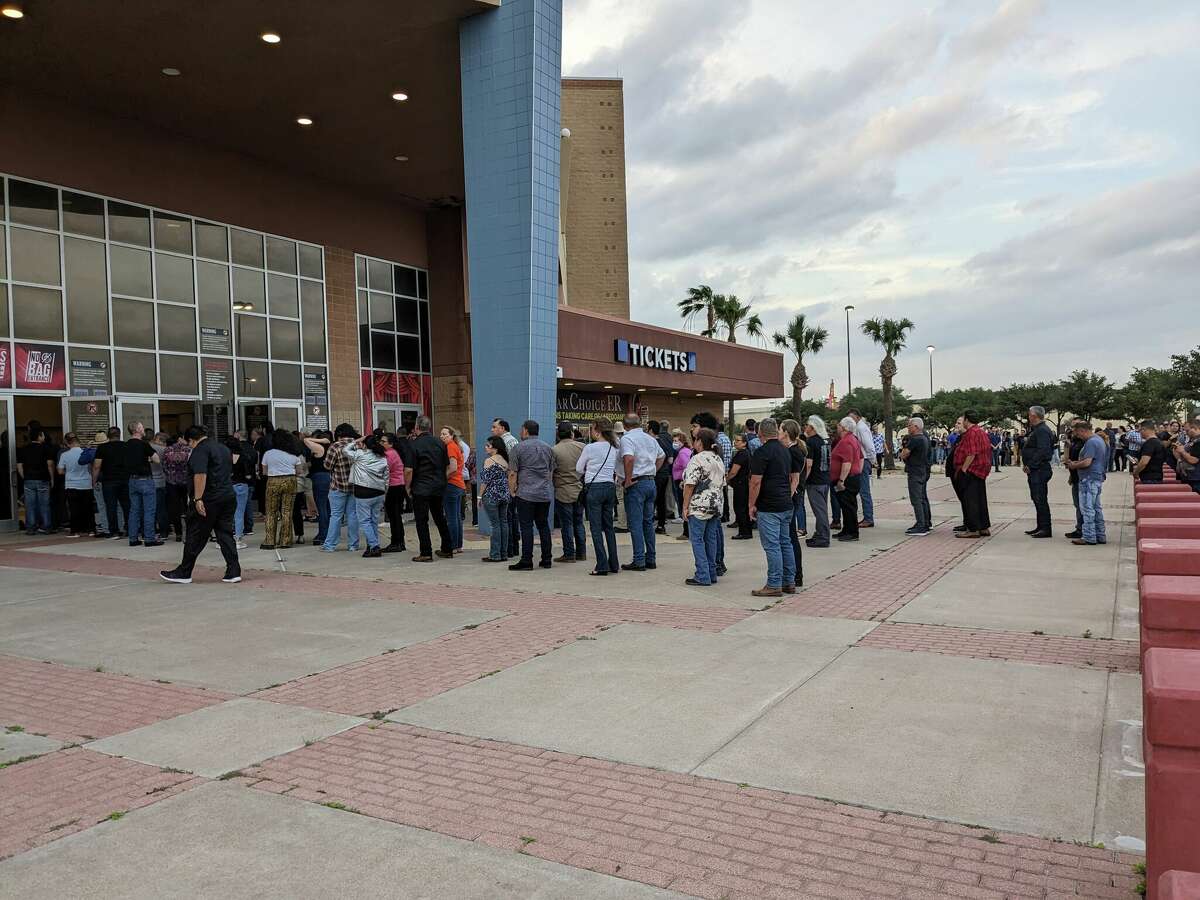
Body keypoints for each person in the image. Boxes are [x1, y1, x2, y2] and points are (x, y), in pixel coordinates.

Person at [160, 425, 241, 584]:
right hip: (227, 496)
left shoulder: (200, 450)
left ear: (192, 440)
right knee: (225, 534)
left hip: (209, 498)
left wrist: (198, 499)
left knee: (195, 535)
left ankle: (184, 572)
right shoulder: (223, 448)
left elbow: (200, 474)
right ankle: (233, 571)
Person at [749, 419, 797, 596]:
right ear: (776, 432)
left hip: (769, 505)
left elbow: (755, 482)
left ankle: (774, 584)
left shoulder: (762, 452)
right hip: (785, 502)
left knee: (772, 546)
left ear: (760, 433)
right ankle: (789, 581)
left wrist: (751, 504)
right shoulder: (785, 450)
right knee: (785, 543)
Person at [619, 414, 664, 572]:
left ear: (625, 426)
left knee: (635, 523)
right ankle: (650, 557)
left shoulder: (627, 439)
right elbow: (662, 456)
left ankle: (639, 560)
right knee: (648, 522)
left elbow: (629, 459)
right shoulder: (650, 438)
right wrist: (652, 471)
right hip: (650, 481)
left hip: (636, 483)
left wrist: (628, 479)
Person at [508, 419, 555, 571]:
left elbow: (513, 473)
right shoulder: (548, 448)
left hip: (525, 494)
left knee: (526, 527)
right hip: (543, 493)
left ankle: (526, 560)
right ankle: (546, 559)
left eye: (521, 430)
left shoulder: (518, 448)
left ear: (526, 431)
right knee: (543, 526)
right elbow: (550, 472)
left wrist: (512, 491)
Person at [681, 428, 725, 586]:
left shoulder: (697, 459)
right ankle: (711, 572)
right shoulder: (717, 458)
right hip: (716, 503)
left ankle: (702, 574)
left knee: (698, 540)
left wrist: (685, 506)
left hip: (700, 504)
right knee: (711, 539)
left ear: (699, 441)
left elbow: (690, 485)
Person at [577, 418, 620, 575]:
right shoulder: (614, 447)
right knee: (609, 527)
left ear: (597, 430)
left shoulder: (590, 448)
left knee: (596, 528)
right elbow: (617, 468)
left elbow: (579, 468)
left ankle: (602, 565)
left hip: (594, 488)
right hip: (609, 487)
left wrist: (590, 469)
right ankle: (614, 563)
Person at [407, 415, 453, 561]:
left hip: (421, 486)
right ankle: (447, 548)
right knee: (439, 517)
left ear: (416, 427)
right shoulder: (440, 443)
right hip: (438, 485)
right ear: (429, 427)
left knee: (421, 520)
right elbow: (447, 465)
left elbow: (408, 470)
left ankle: (426, 552)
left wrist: (407, 487)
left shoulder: (414, 444)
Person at [341, 434, 389, 558]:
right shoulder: (382, 457)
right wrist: (385, 490)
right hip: (379, 492)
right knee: (373, 521)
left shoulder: (360, 455)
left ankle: (374, 546)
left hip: (363, 492)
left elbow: (345, 450)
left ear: (365, 444)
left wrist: (357, 440)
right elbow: (386, 477)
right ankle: (371, 546)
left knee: (364, 521)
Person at [1064, 421, 1107, 546]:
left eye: (1078, 433)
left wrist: (1074, 465)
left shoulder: (1091, 442)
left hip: (1088, 478)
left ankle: (1089, 536)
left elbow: (1087, 462)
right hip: (1096, 477)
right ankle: (1100, 534)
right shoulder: (1099, 440)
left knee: (1087, 509)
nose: (1078, 436)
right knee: (1096, 508)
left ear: (1082, 430)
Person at [321, 424, 361, 553]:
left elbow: (328, 466)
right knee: (353, 515)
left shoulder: (335, 446)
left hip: (338, 485)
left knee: (336, 515)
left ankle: (330, 545)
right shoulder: (358, 445)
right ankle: (353, 545)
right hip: (355, 486)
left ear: (338, 434)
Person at [259, 430, 302, 550]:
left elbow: (264, 472)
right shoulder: (293, 454)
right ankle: (285, 540)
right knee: (287, 511)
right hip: (290, 480)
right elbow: (299, 471)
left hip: (273, 481)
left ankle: (269, 541)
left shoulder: (268, 454)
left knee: (271, 511)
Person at [953, 410, 992, 539]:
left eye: (963, 419)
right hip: (980, 470)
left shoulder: (972, 433)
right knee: (980, 499)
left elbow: (972, 453)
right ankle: (983, 527)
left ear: (967, 420)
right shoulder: (980, 431)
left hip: (972, 470)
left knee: (970, 501)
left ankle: (973, 529)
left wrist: (964, 469)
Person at [551, 422, 587, 562]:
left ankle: (569, 553)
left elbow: (551, 471)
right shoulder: (582, 447)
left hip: (562, 490)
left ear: (558, 434)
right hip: (579, 489)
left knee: (566, 524)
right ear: (572, 433)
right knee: (579, 522)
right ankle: (581, 552)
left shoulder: (554, 450)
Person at [124, 423, 162, 547]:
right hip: (145, 479)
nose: (144, 429)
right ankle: (149, 538)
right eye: (142, 427)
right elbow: (157, 459)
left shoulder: (126, 445)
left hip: (132, 479)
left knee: (134, 510)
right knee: (149, 510)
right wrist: (148, 459)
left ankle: (133, 538)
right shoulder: (143, 444)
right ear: (138, 430)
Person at [1022, 406, 1055, 538]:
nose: (1028, 417)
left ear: (1034, 416)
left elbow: (1042, 450)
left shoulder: (1042, 430)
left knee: (1040, 498)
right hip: (1036, 469)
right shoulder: (1037, 429)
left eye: (1029, 415)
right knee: (1036, 498)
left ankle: (1045, 528)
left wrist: (1030, 464)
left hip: (1039, 469)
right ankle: (1040, 526)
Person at [830, 417, 865, 542]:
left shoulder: (846, 441)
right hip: (853, 477)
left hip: (847, 479)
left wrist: (841, 480)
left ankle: (852, 532)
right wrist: (858, 471)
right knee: (847, 505)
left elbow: (847, 462)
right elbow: (861, 457)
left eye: (839, 424)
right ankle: (847, 529)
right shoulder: (853, 439)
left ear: (844, 428)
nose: (837, 426)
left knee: (848, 506)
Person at [17, 426, 55, 535]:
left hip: (29, 480)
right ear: (39, 436)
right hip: (43, 479)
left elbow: (19, 466)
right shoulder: (46, 448)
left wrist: (25, 477)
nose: (44, 437)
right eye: (42, 435)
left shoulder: (24, 449)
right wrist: (52, 478)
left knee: (30, 505)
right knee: (44, 504)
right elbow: (50, 465)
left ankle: (30, 528)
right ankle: (46, 527)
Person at [479, 435, 511, 562]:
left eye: (488, 445)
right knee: (504, 523)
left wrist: (479, 496)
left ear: (495, 448)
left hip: (491, 495)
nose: (486, 447)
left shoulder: (489, 461)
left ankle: (495, 554)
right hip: (504, 495)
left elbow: (485, 481)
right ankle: (504, 553)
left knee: (495, 525)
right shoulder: (505, 460)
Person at [92, 426, 128, 538]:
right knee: (126, 506)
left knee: (110, 506)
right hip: (125, 479)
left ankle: (113, 531)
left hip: (109, 480)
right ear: (119, 434)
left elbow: (97, 466)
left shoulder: (102, 448)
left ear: (108, 436)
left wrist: (94, 480)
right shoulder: (126, 446)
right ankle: (128, 529)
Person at [492, 418, 521, 558]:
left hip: (507, 484)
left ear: (502, 428)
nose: (492, 429)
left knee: (506, 518)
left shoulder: (504, 442)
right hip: (513, 484)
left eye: (494, 427)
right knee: (512, 517)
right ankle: (514, 548)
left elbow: (511, 468)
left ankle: (508, 549)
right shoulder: (514, 441)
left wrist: (511, 487)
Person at [56, 433, 94, 537]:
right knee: (88, 508)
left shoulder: (64, 455)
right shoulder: (85, 453)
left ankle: (75, 531)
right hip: (86, 483)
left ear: (68, 444)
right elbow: (91, 468)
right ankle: (91, 530)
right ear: (79, 442)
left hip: (71, 484)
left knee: (74, 509)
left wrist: (68, 472)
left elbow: (60, 471)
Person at [803, 416, 831, 548]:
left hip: (814, 481)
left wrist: (803, 480)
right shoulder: (825, 441)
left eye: (807, 425)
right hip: (824, 478)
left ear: (812, 427)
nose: (805, 427)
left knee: (819, 511)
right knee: (822, 509)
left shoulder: (811, 442)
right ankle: (819, 533)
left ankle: (823, 537)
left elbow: (809, 464)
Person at [900, 417, 932, 535]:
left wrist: (903, 450)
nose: (908, 428)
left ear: (916, 427)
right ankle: (925, 522)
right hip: (922, 470)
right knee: (922, 498)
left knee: (916, 499)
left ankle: (921, 525)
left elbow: (904, 454)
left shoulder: (915, 439)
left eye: (910, 425)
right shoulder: (924, 438)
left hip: (915, 471)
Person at [847, 409, 876, 528]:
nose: (850, 420)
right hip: (862, 460)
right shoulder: (858, 428)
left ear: (858, 417)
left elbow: (869, 446)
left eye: (851, 417)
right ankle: (867, 517)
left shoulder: (860, 428)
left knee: (864, 491)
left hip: (864, 460)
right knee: (862, 490)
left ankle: (868, 518)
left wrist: (872, 461)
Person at [379, 432, 407, 553]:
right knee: (396, 516)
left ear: (391, 444)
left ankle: (396, 542)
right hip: (398, 485)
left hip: (394, 486)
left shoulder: (389, 454)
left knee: (394, 516)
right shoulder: (393, 452)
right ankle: (399, 542)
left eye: (383, 441)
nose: (381, 443)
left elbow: (384, 469)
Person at [440, 425, 466, 554]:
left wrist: (442, 478)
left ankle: (453, 545)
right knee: (456, 517)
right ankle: (458, 545)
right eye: (441, 434)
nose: (442, 436)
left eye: (445, 434)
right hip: (459, 484)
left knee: (451, 518)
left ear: (451, 435)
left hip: (451, 484)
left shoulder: (450, 447)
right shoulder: (456, 446)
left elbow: (453, 467)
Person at [225, 435, 253, 549]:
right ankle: (238, 539)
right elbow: (248, 475)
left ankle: (225, 538)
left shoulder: (224, 457)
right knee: (239, 513)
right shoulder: (244, 456)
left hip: (228, 486)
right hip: (241, 485)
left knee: (226, 513)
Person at [162, 435, 191, 543]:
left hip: (172, 482)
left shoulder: (167, 450)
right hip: (186, 482)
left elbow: (164, 465)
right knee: (188, 507)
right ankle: (188, 532)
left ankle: (178, 533)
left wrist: (169, 475)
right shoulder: (188, 450)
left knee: (174, 508)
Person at [651, 421, 676, 535]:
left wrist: (655, 469)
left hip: (658, 473)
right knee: (661, 499)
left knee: (654, 499)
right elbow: (670, 457)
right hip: (665, 473)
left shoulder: (657, 441)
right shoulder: (668, 439)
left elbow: (664, 456)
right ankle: (661, 524)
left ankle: (652, 522)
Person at [728, 434, 753, 539]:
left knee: (740, 508)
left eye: (738, 440)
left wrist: (727, 479)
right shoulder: (746, 453)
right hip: (743, 484)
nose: (735, 442)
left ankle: (744, 532)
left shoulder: (742, 454)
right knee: (743, 508)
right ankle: (746, 531)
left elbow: (734, 471)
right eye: (735, 440)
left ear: (744, 443)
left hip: (740, 484)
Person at [1131, 420, 1169, 484]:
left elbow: (1144, 462)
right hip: (1157, 476)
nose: (1139, 433)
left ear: (1144, 429)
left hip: (1149, 478)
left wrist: (1136, 472)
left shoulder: (1150, 443)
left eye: (1140, 430)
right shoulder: (1159, 442)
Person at [671, 429, 693, 541]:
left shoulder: (683, 452)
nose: (674, 443)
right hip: (680, 481)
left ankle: (686, 532)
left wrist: (683, 480)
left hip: (681, 482)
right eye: (674, 441)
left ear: (682, 442)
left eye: (676, 441)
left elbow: (687, 466)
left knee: (683, 506)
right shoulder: (686, 451)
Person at [1173, 419, 1200, 494]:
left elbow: (1194, 460)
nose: (1186, 433)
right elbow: (1181, 456)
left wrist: (1182, 451)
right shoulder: (1192, 440)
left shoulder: (1198, 442)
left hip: (1195, 479)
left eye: (1187, 430)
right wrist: (1177, 449)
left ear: (1194, 428)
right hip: (1189, 476)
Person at [716, 423, 733, 523]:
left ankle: (723, 514)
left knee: (720, 494)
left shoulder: (718, 440)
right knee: (725, 494)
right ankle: (726, 514)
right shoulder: (727, 439)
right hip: (726, 469)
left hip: (720, 470)